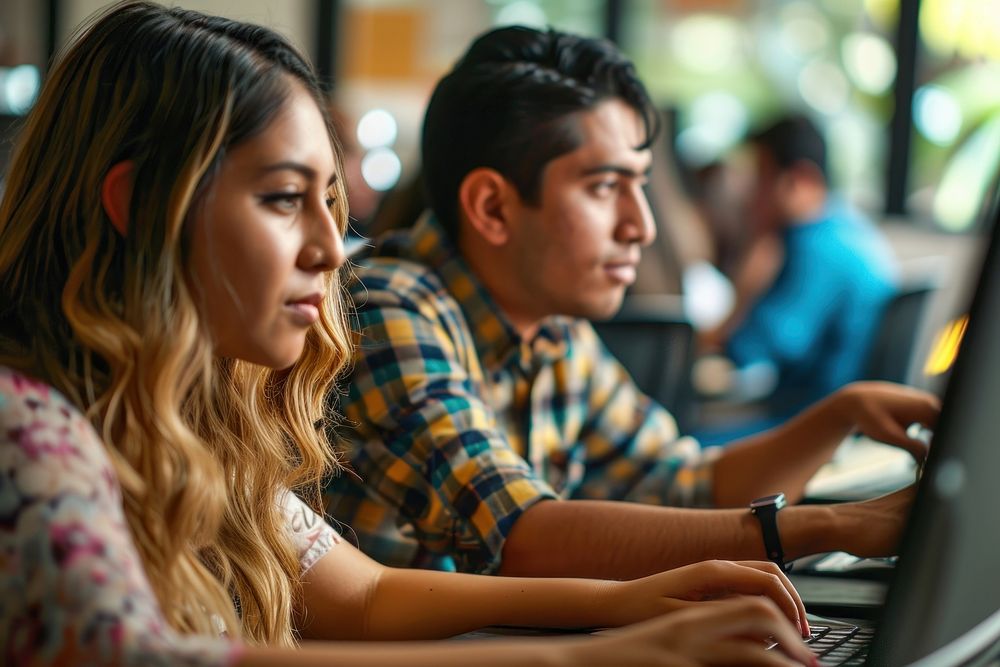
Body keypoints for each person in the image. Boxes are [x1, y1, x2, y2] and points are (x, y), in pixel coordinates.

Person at [0, 3, 822, 666]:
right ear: (139, 204)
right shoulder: (25, 422)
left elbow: (365, 593)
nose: (330, 250)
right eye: (286, 198)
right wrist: (591, 653)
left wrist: (627, 603)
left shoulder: (199, 418)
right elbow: (144, 657)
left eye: (332, 201)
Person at [325, 25, 940, 581]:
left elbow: (689, 488)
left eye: (640, 185)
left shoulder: (554, 331)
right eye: (604, 187)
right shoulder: (383, 309)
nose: (641, 226)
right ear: (492, 207)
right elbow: (521, 536)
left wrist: (840, 415)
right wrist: (827, 527)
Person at [699, 115, 899, 440]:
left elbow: (751, 348)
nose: (751, 197)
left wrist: (747, 279)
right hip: (833, 417)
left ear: (799, 179)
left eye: (761, 179)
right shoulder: (848, 229)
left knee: (684, 446)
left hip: (817, 423)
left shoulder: (814, 246)